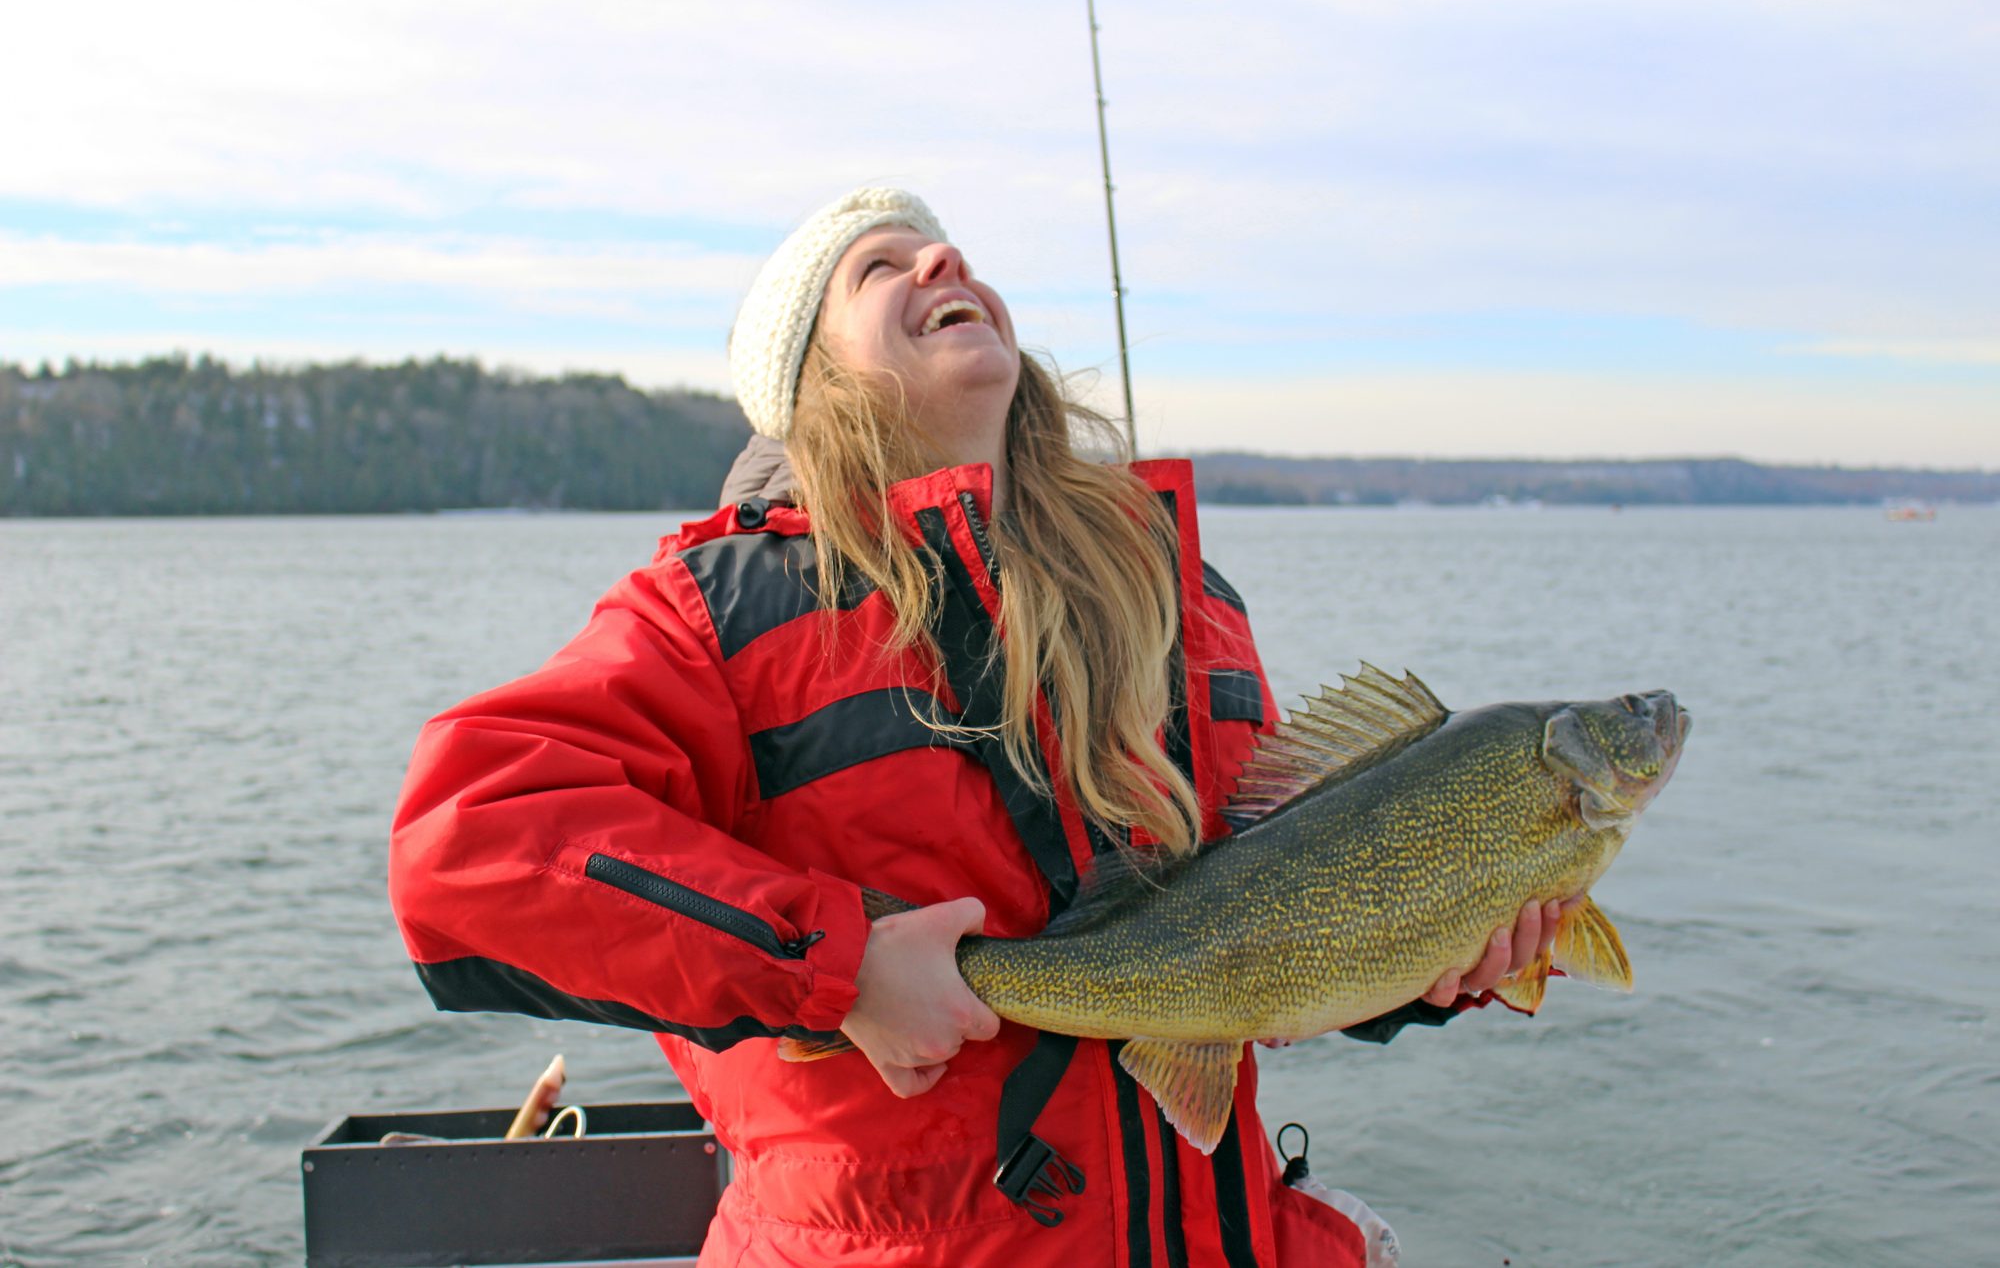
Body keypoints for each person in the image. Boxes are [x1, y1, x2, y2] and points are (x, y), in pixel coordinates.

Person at [389, 187, 1571, 1266]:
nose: (942, 259)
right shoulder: (717, 612)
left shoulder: (1180, 594)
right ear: (810, 376)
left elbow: (1253, 929)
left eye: (947, 248)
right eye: (877, 266)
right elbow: (466, 838)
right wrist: (838, 965)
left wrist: (1425, 961)